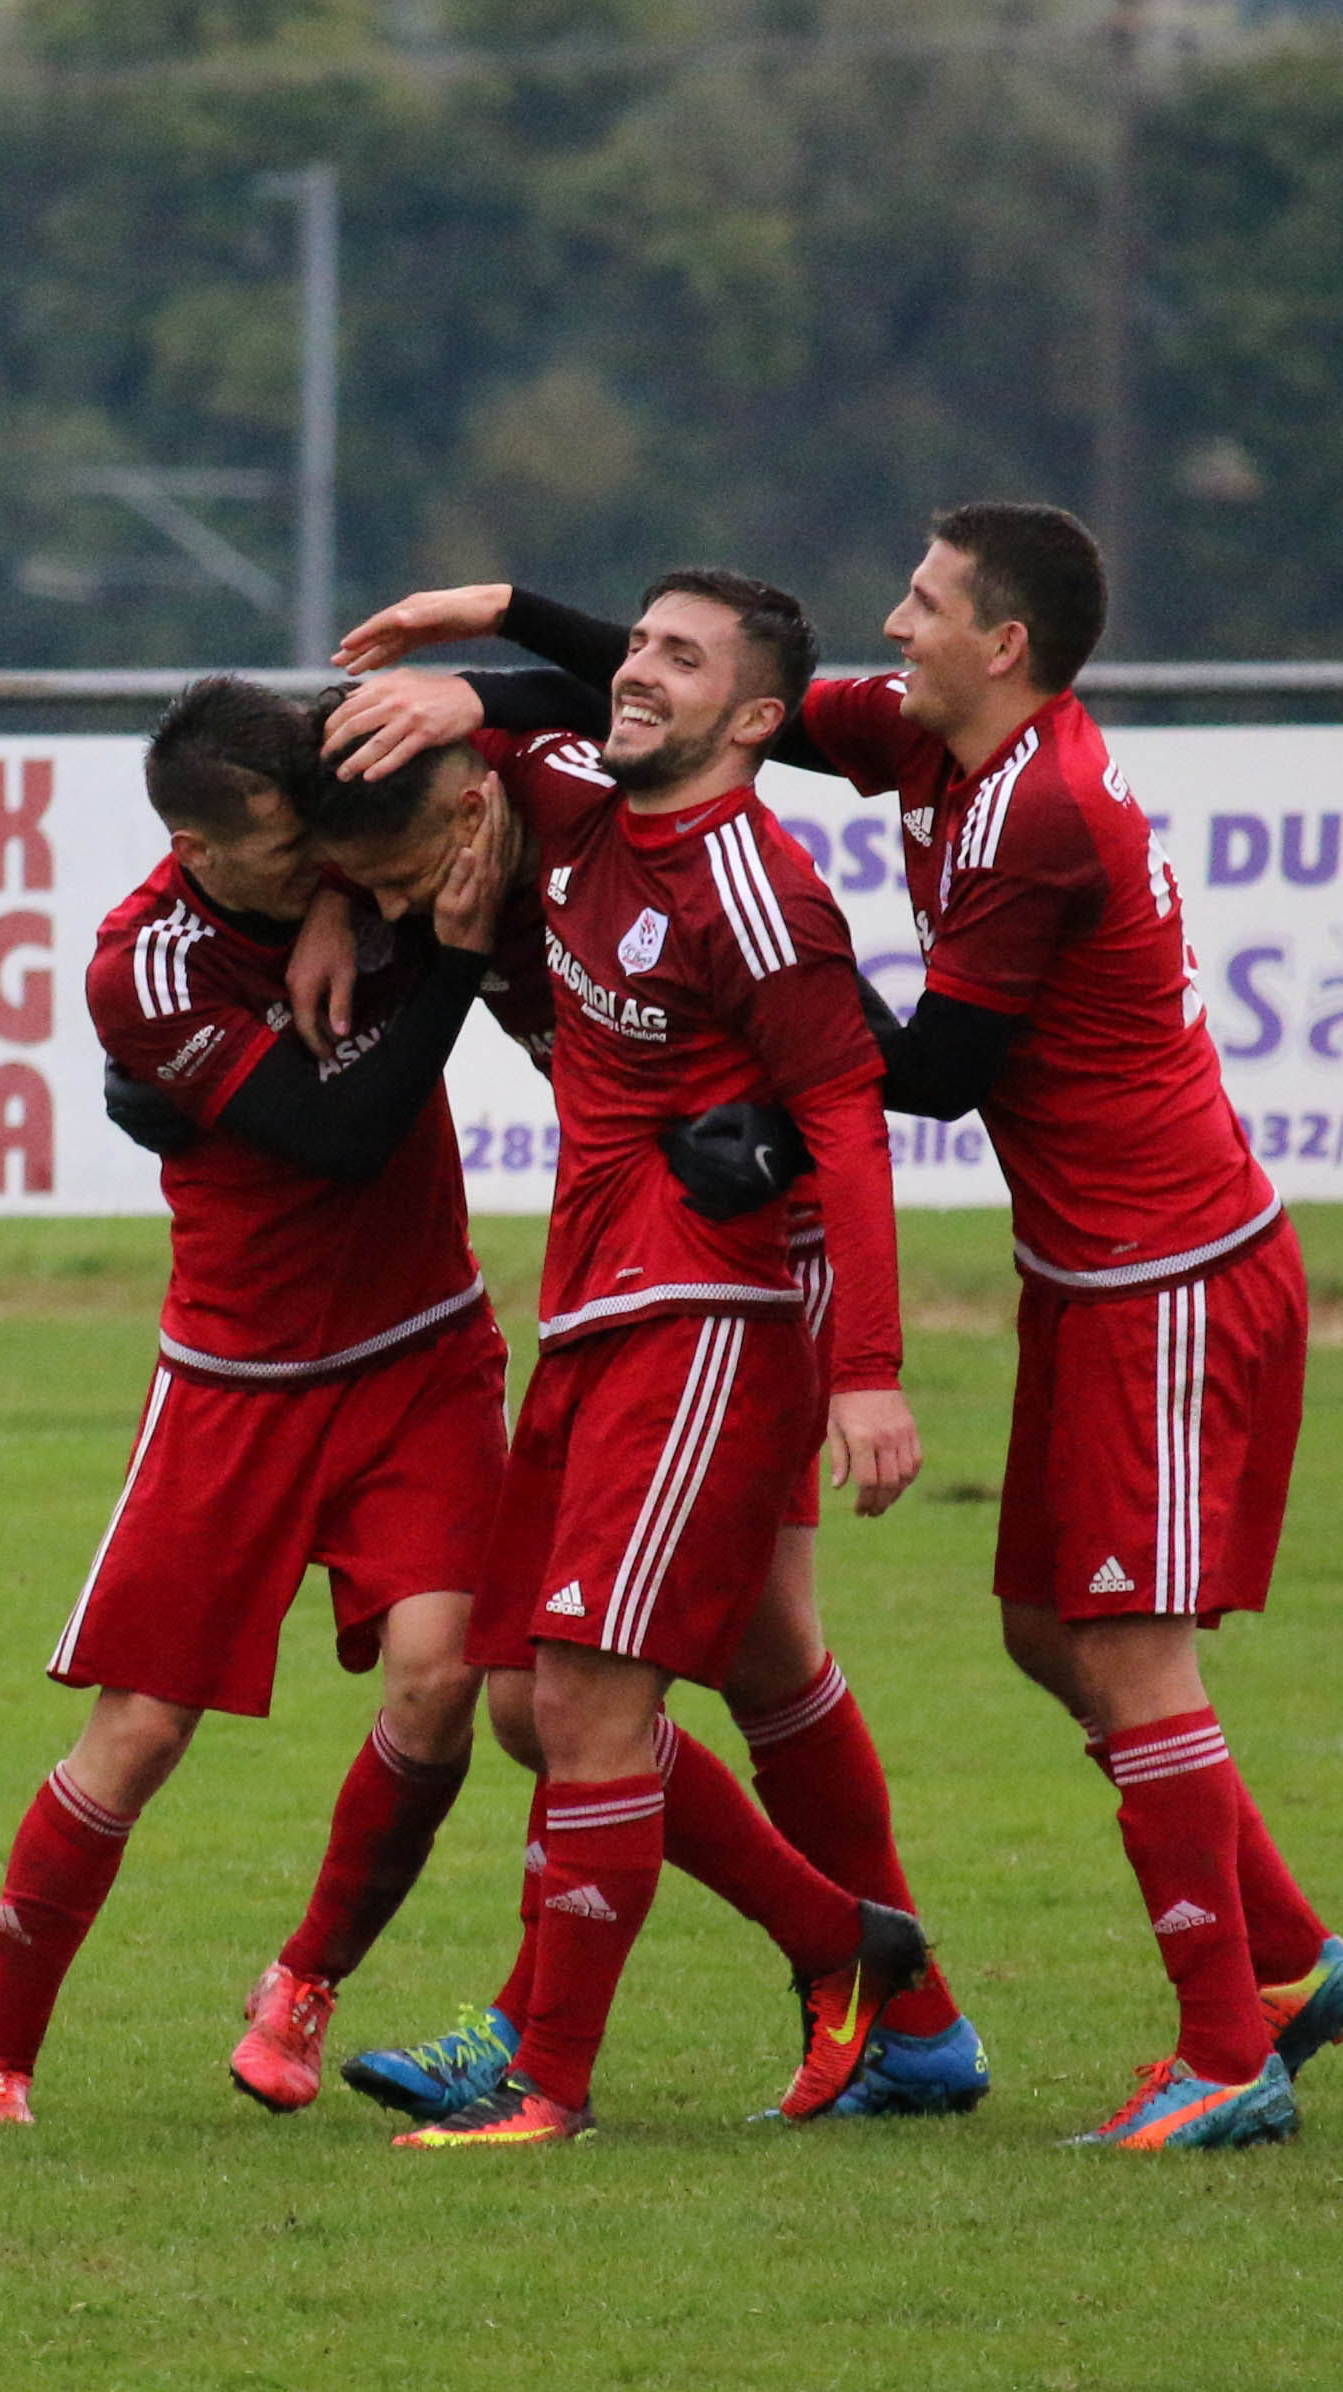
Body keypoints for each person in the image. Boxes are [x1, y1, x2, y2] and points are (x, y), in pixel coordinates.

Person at [327, 504, 1343, 2151]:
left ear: (1005, 644)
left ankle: (1223, 2037)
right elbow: (704, 699)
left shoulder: (1043, 811)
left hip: (1170, 1267)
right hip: (1086, 1265)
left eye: (926, 600)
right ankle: (1272, 1959)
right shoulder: (931, 741)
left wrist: (761, 1042)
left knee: (1118, 1650)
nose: (894, 622)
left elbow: (929, 1069)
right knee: (1034, 1633)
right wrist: (497, 652)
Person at [280, 698, 991, 2129]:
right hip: (620, 1282)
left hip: (723, 1282)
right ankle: (894, 1998)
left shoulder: (627, 816)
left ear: (478, 804)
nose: (403, 913)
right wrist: (328, 895)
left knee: (595, 1690)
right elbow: (389, 800)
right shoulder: (463, 858)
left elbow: (842, 1082)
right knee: (724, 1660)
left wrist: (868, 1355)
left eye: (406, 878)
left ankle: (546, 2043)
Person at [0, 676, 520, 2128]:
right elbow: (338, 1133)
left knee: (448, 1680)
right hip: (236, 1381)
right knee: (139, 1733)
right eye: (289, 853)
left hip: (419, 1348)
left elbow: (517, 733)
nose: (329, 855)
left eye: (333, 839)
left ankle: (305, 1983)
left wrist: (345, 902)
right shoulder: (143, 965)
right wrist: (441, 950)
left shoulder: (348, 836)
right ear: (202, 849)